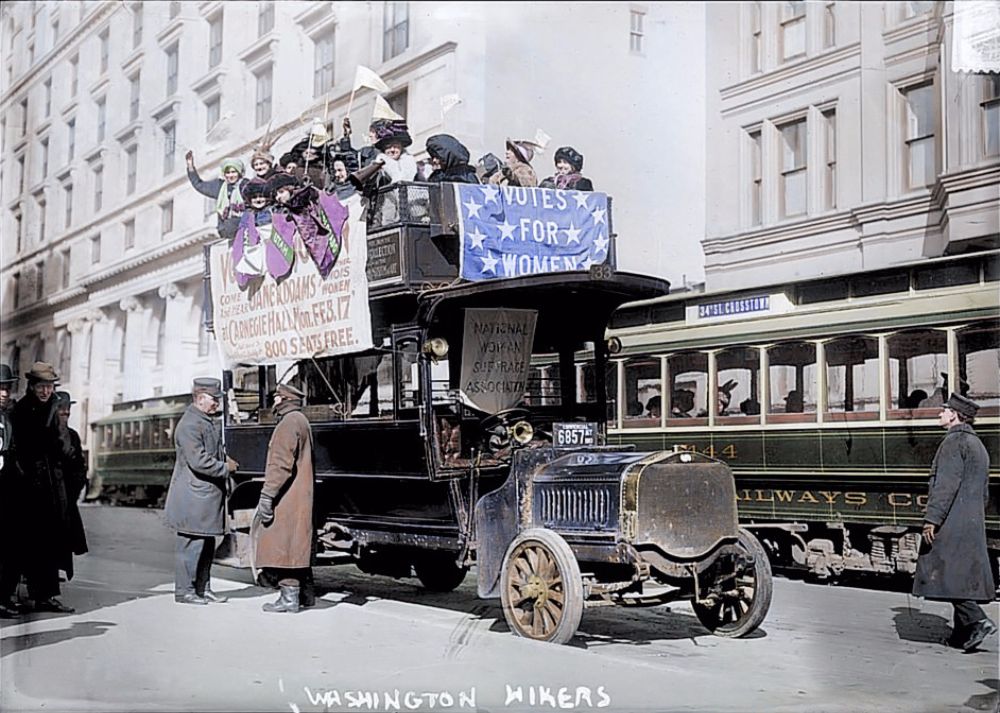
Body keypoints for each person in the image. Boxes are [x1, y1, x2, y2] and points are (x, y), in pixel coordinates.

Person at [912, 394, 997, 652]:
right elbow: (984, 492)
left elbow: (944, 486)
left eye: (944, 410)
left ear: (955, 415)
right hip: (970, 520)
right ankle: (962, 635)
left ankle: (977, 620)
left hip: (951, 520)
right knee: (959, 575)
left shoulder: (953, 442)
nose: (940, 414)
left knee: (944, 573)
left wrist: (932, 520)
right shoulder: (977, 445)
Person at [163, 378, 239, 605]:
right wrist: (225, 468)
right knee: (191, 546)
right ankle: (184, 591)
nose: (217, 403)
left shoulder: (204, 421)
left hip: (203, 497)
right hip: (194, 498)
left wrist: (225, 459)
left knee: (205, 544)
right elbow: (199, 461)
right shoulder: (190, 425)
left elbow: (211, 452)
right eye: (214, 399)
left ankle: (202, 588)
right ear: (200, 398)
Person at [10, 362, 76, 612]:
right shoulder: (22, 411)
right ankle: (14, 594)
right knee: (25, 543)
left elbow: (61, 444)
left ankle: (45, 594)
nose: (46, 391)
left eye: (49, 387)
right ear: (32, 386)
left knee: (50, 542)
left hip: (50, 486)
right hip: (27, 486)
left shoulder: (52, 409)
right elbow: (21, 448)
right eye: (41, 387)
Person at [254, 383, 315, 613]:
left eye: (276, 398)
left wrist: (267, 496)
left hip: (287, 497)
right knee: (297, 545)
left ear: (282, 399)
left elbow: (280, 465)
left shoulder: (287, 424)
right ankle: (305, 596)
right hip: (299, 495)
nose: (273, 402)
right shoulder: (301, 420)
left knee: (285, 546)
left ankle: (288, 599)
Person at [0, 364, 25, 618]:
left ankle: (4, 596)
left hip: (7, 489)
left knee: (10, 548)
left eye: (7, 388)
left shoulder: (8, 419)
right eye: (0, 388)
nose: (4, 393)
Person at [185, 151, 247, 242]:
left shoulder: (246, 185)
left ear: (239, 173)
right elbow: (199, 185)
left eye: (233, 172)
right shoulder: (220, 186)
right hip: (226, 232)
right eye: (228, 173)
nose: (230, 175)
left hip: (244, 229)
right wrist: (190, 166)